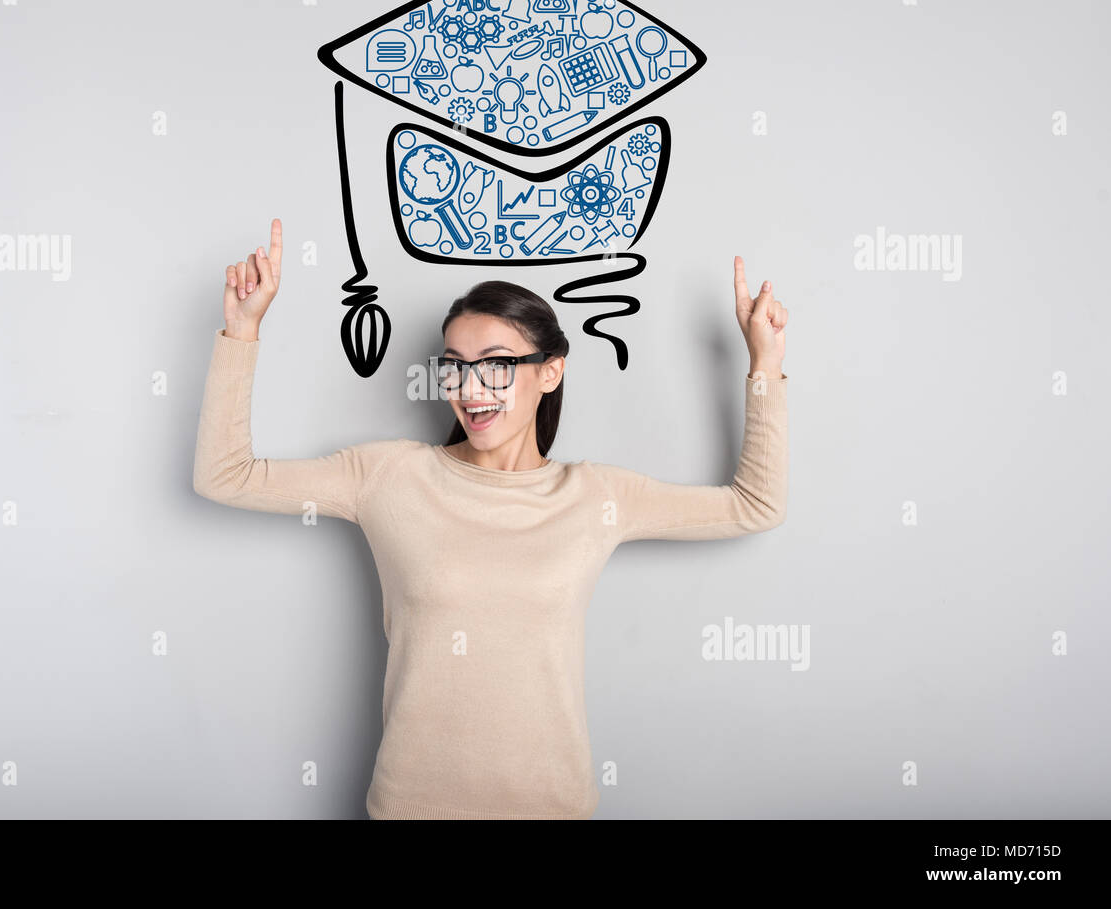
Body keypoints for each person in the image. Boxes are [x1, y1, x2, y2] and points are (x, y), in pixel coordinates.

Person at [193, 218, 789, 819]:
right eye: (454, 365)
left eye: (497, 363)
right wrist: (241, 332)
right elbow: (226, 475)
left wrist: (763, 362)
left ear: (550, 371)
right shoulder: (390, 477)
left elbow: (755, 505)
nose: (471, 387)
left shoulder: (595, 497)